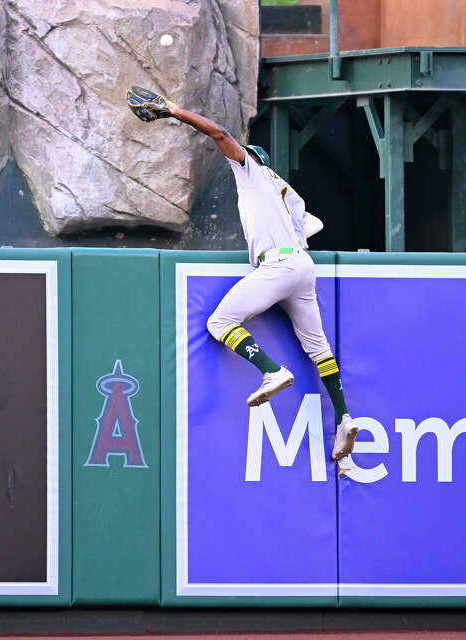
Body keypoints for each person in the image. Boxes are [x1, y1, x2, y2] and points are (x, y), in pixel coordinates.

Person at [126, 87, 358, 461]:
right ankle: (344, 417)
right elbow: (314, 224)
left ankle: (271, 371)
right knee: (320, 350)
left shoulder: (250, 171)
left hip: (278, 265)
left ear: (252, 160)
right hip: (302, 265)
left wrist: (174, 111)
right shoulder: (286, 191)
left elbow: (220, 134)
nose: (239, 157)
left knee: (220, 322)